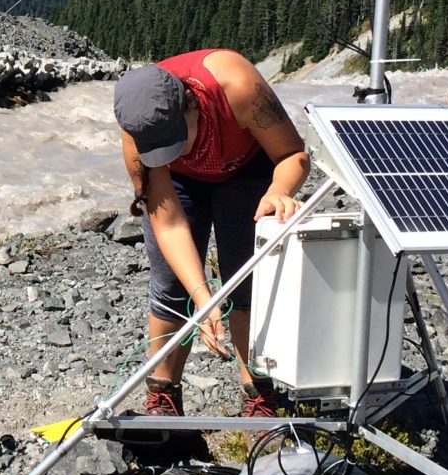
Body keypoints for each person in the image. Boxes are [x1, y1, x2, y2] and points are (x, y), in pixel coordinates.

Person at [112, 49, 310, 427]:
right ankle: (163, 394)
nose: (177, 151)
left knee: (248, 283)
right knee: (171, 285)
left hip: (248, 168)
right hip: (182, 185)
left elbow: (293, 155)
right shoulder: (136, 132)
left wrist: (279, 191)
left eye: (176, 139)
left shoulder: (239, 87)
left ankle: (257, 392)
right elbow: (168, 225)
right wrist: (204, 303)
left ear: (191, 104)